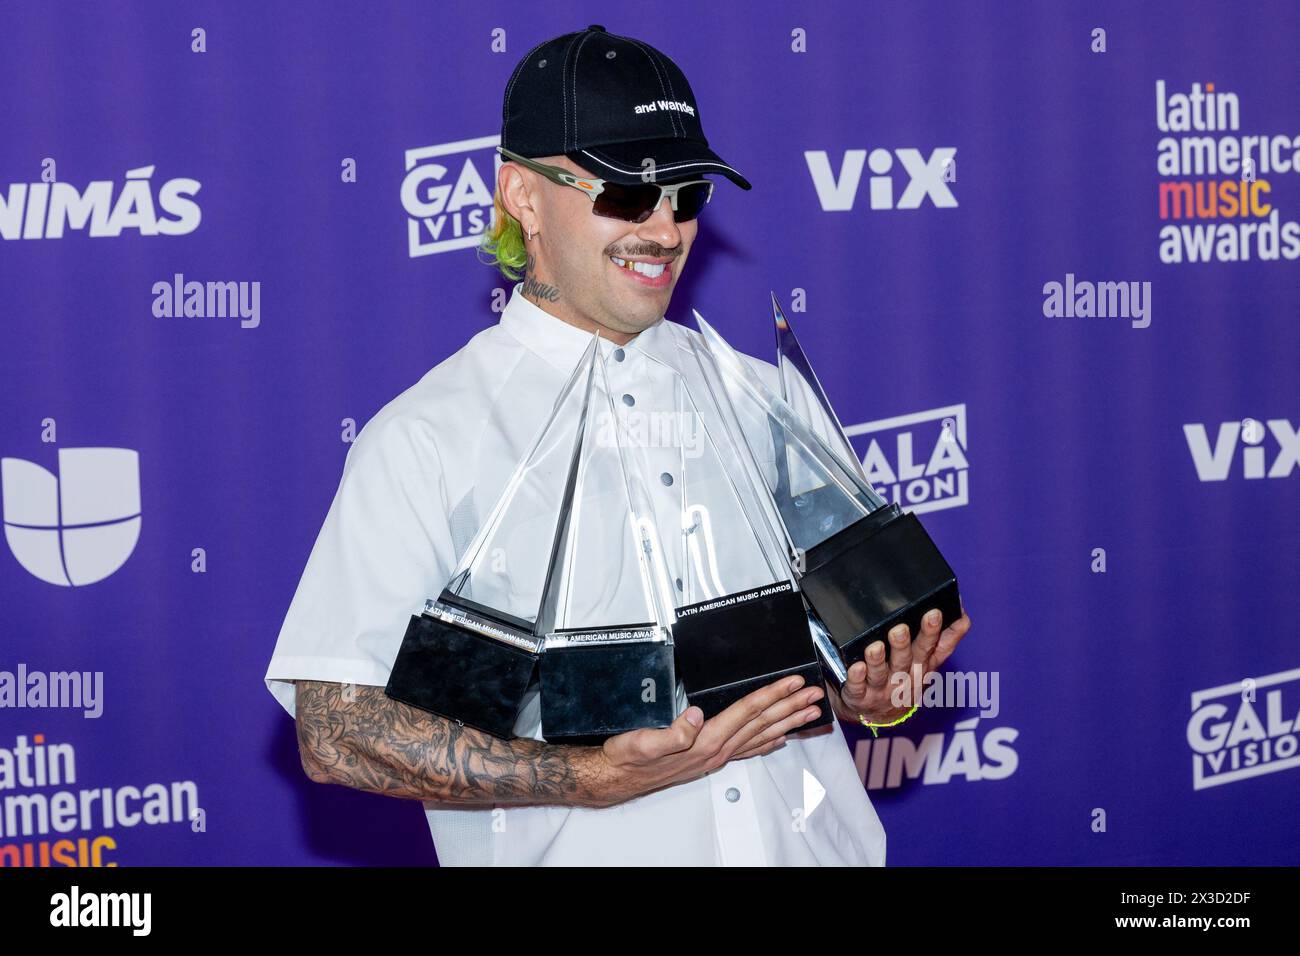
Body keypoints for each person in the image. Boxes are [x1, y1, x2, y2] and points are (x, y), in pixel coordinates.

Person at [264, 24, 971, 866]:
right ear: (522, 196)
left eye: (687, 194)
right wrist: (585, 776)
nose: (665, 229)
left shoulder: (766, 400)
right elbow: (335, 730)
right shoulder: (427, 438)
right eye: (628, 194)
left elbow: (849, 682)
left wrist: (876, 693)